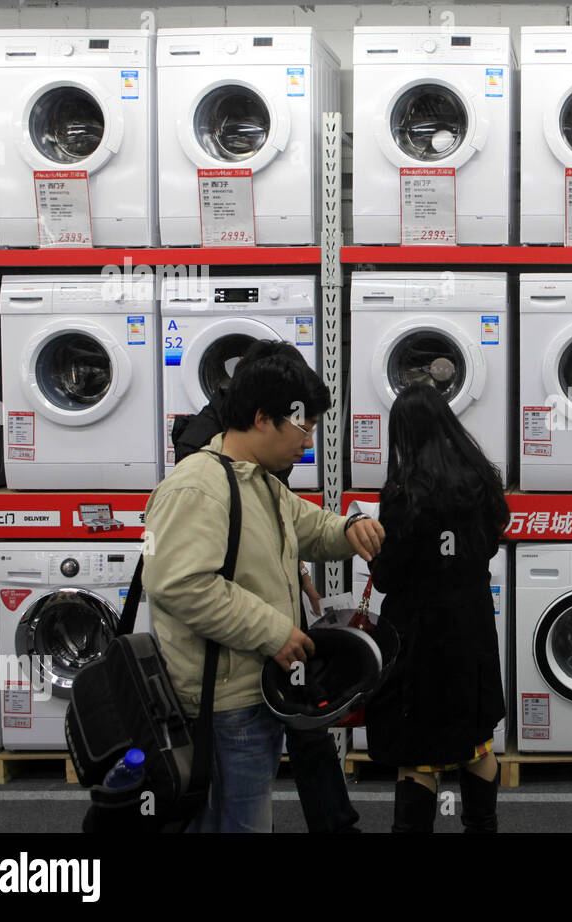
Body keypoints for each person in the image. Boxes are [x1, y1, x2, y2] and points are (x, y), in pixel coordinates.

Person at [143, 342, 385, 833]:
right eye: (304, 427)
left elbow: (309, 527)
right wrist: (273, 631)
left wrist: (348, 529)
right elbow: (177, 583)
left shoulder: (260, 482)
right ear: (261, 419)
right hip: (220, 705)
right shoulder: (199, 486)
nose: (308, 441)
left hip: (249, 694)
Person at [364, 383, 509, 833]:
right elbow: (488, 544)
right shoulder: (481, 480)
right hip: (472, 627)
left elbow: (389, 576)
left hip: (420, 634)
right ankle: (481, 827)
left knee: (418, 755)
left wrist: (371, 548)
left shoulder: (405, 491)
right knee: (477, 742)